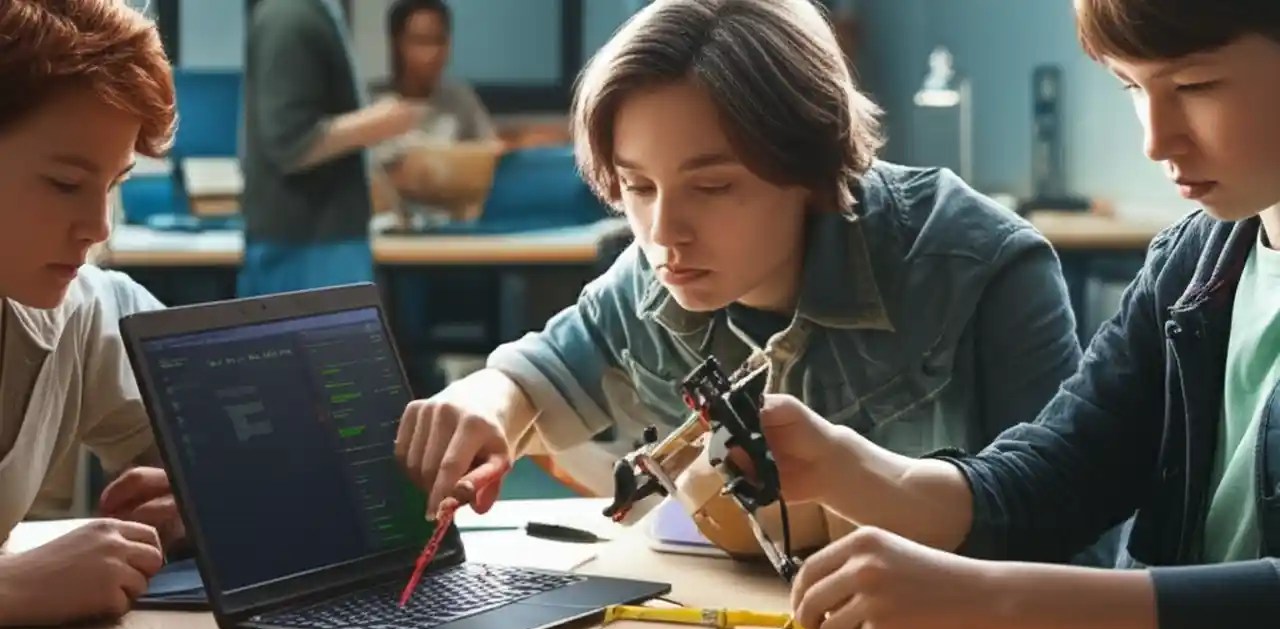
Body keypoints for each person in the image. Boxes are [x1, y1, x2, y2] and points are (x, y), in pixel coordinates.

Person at [394, 0, 1089, 556]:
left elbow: (1067, 540)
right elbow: (533, 376)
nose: (664, 233)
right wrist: (482, 404)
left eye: (714, 186)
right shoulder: (654, 276)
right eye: (638, 187)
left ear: (810, 164)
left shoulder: (982, 270)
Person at [775, 0, 1280, 629]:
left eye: (1196, 88)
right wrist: (844, 467)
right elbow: (1062, 473)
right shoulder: (1193, 264)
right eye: (1131, 87)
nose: (1155, 140)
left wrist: (991, 599)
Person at [0, 0, 187, 628]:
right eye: (64, 183)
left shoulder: (80, 309)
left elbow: (282, 447)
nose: (97, 228)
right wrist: (12, 590)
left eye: (112, 183)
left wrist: (207, 499)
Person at [239, 0, 425, 296]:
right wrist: (379, 122)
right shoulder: (290, 15)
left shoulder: (312, 12)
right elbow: (290, 142)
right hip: (308, 246)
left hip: (319, 241)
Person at [374, 0, 499, 226]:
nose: (432, 53)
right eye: (420, 42)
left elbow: (490, 157)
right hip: (393, 233)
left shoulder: (460, 100)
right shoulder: (375, 105)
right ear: (396, 45)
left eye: (439, 41)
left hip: (455, 231)